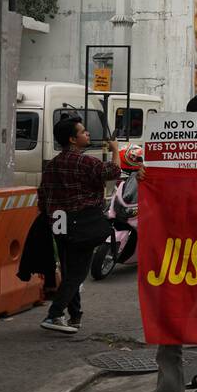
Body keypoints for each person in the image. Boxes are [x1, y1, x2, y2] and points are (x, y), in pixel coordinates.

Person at [38, 117, 123, 333]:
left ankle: (75, 316)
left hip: (58, 223)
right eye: (83, 131)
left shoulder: (52, 165)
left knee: (69, 271)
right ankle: (54, 314)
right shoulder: (87, 162)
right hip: (82, 222)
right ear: (72, 139)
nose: (87, 134)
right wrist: (115, 150)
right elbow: (113, 172)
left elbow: (42, 195)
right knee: (78, 273)